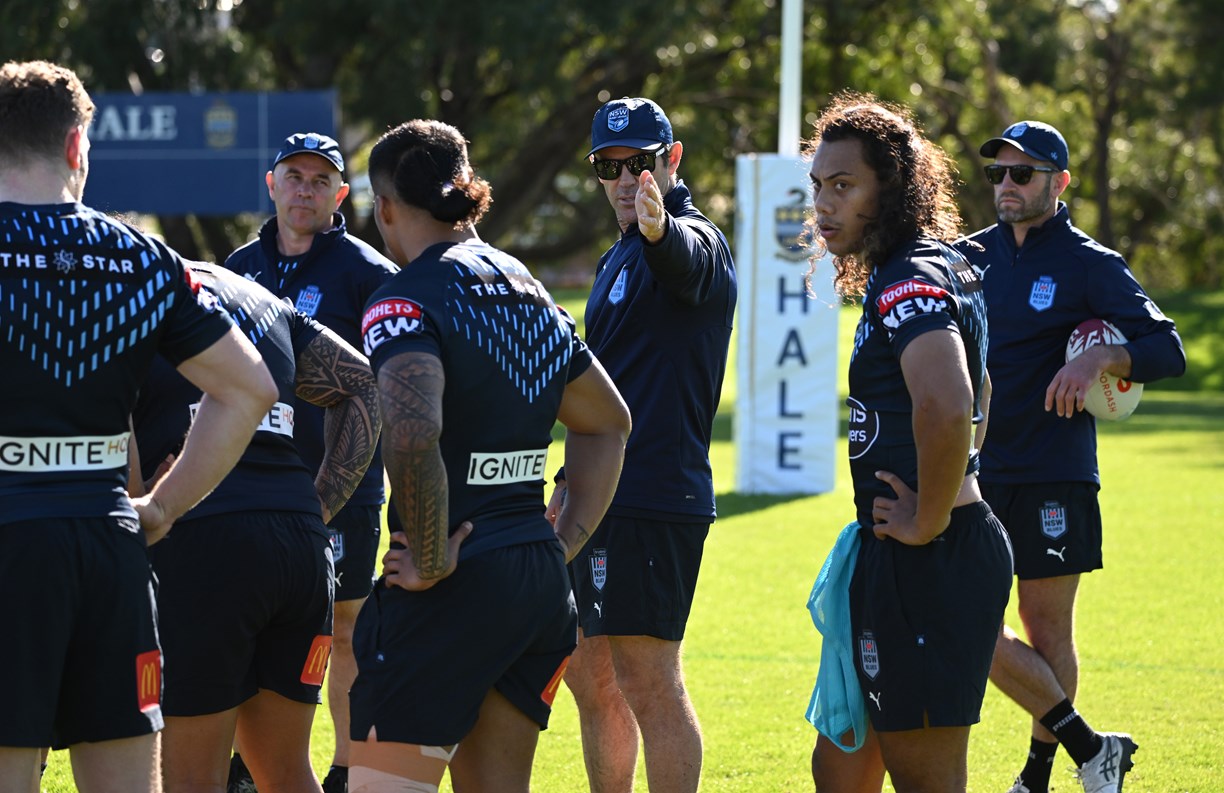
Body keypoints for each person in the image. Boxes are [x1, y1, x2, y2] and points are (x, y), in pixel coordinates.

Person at [0, 60, 277, 792]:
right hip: (108, 545)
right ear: (75, 147)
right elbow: (249, 388)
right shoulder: (141, 257)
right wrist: (163, 506)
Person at [345, 119, 630, 793]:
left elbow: (413, 430)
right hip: (533, 583)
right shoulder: (531, 293)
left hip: (447, 588)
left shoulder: (404, 297)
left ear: (385, 206)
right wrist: (559, 539)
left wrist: (434, 552)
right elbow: (610, 422)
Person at [958, 120, 1185, 793]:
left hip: (1057, 471)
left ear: (1059, 182)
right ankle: (1093, 746)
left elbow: (1166, 349)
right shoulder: (965, 258)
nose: (1006, 184)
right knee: (971, 621)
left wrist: (1103, 356)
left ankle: (1037, 776)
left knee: (1046, 625)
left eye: (1022, 173)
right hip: (973, 473)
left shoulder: (1091, 263)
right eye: (997, 172)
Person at [804, 92, 1013, 793]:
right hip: (904, 554)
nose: (825, 204)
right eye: (819, 186)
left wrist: (930, 514)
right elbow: (981, 388)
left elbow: (951, 401)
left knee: (927, 780)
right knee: (840, 766)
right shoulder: (940, 264)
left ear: (888, 189)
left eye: (844, 185)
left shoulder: (909, 280)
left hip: (933, 554)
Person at [131, 262, 382, 793]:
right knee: (286, 772)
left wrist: (143, 506)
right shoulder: (260, 298)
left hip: (200, 546)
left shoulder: (138, 288)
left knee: (193, 778)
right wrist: (316, 509)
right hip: (299, 550)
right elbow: (363, 383)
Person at [553, 95, 736, 793]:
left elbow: (684, 261)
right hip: (599, 494)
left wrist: (662, 230)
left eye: (641, 164)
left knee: (648, 678)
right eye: (610, 165)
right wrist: (569, 481)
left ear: (672, 160)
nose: (627, 180)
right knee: (586, 671)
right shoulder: (615, 257)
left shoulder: (693, 240)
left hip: (658, 492)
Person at [225, 132, 398, 793]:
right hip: (247, 482)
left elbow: (384, 386)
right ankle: (249, 762)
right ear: (271, 183)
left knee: (347, 626)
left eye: (320, 179)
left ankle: (348, 770)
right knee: (247, 623)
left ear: (341, 196)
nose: (305, 188)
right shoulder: (239, 266)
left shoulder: (366, 272)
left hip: (341, 483)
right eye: (293, 175)